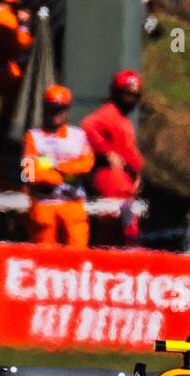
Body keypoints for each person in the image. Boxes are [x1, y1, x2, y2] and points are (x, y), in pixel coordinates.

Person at [22, 85, 95, 248]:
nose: (56, 114)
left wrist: (61, 169)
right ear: (45, 109)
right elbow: (27, 172)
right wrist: (52, 177)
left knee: (77, 255)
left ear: (67, 110)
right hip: (44, 204)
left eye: (60, 109)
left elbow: (87, 163)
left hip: (73, 204)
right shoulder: (33, 136)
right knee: (44, 256)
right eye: (52, 109)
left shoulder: (78, 135)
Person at [81, 70, 144, 246]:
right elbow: (88, 126)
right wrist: (107, 152)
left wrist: (137, 175)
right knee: (112, 229)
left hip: (125, 185)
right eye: (127, 94)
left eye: (135, 95)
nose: (131, 99)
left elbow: (130, 152)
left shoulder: (124, 120)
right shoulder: (108, 113)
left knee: (127, 233)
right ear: (116, 93)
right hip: (112, 182)